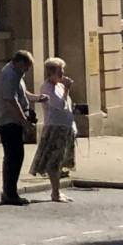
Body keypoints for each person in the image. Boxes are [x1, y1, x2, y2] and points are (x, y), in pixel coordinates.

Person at [30, 57, 77, 203]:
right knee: (54, 161)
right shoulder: (47, 87)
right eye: (59, 72)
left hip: (66, 127)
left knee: (61, 161)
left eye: (62, 71)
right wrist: (67, 89)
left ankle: (57, 191)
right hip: (54, 128)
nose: (62, 75)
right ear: (51, 73)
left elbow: (67, 105)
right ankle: (55, 192)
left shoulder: (59, 86)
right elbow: (59, 104)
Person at [0, 50, 36, 205]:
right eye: (27, 67)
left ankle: (10, 191)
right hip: (8, 121)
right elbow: (11, 101)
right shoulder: (10, 75)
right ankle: (9, 193)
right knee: (14, 156)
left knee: (15, 156)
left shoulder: (16, 73)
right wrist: (25, 122)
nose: (28, 71)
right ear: (20, 63)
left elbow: (22, 94)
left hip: (13, 120)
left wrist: (37, 98)